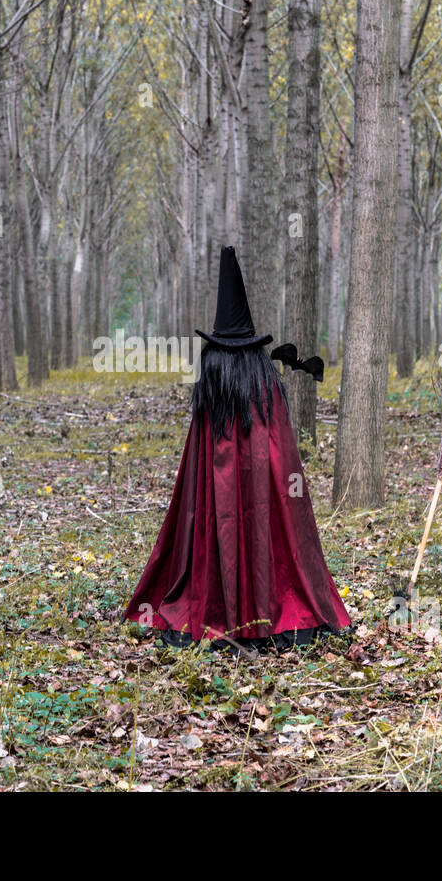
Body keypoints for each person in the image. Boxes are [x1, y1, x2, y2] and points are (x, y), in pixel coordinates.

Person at [123, 246, 351, 651]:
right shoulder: (262, 372)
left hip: (220, 482)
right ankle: (268, 613)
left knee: (219, 520)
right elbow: (279, 449)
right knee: (265, 522)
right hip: (263, 479)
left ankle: (219, 613)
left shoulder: (212, 369)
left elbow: (204, 446)